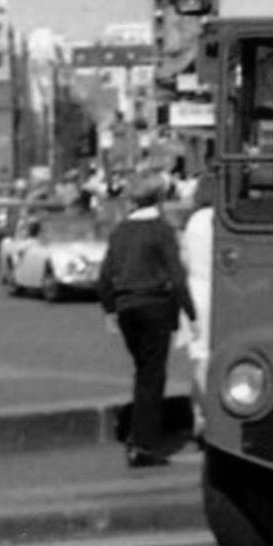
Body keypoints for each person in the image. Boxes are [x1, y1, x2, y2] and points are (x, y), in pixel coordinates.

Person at [99, 174, 198, 467]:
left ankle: (137, 435)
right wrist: (191, 312)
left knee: (143, 371)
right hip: (155, 306)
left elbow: (105, 276)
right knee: (152, 376)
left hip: (127, 307)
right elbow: (177, 276)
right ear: (159, 199)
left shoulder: (120, 231)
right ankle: (144, 444)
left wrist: (110, 309)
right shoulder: (161, 230)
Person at [177, 174, 215, 435]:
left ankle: (198, 415)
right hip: (216, 290)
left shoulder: (192, 221)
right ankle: (210, 414)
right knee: (210, 358)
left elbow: (185, 260)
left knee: (200, 359)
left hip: (195, 292)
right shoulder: (219, 219)